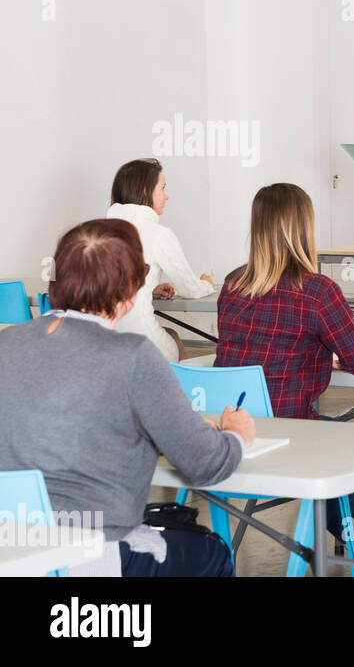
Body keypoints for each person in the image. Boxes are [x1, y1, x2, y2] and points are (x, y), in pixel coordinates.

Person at [0, 219, 251, 576]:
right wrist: (237, 434)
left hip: (13, 555)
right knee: (210, 553)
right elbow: (207, 464)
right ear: (130, 290)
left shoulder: (6, 343)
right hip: (91, 558)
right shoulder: (133, 356)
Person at [215, 183, 354, 574]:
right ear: (304, 229)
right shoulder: (317, 291)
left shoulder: (232, 285)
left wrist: (316, 351)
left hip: (229, 436)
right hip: (290, 438)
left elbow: (265, 347)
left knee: (329, 438)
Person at [105, 158, 217, 361]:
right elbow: (189, 290)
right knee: (173, 341)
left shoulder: (98, 230)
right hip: (138, 340)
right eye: (162, 188)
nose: (167, 196)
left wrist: (147, 287)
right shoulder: (157, 234)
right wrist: (207, 284)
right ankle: (180, 391)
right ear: (146, 191)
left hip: (102, 341)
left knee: (171, 335)